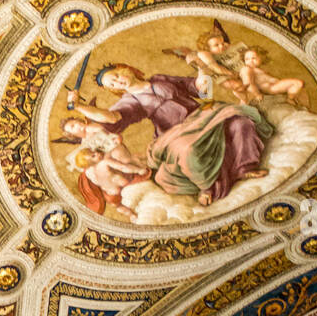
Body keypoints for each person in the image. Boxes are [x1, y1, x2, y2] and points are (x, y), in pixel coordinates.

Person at [68, 62, 272, 209]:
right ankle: (207, 186)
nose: (117, 83)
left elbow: (201, 91)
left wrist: (203, 75)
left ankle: (245, 168)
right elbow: (111, 118)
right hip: (175, 133)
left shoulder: (159, 79)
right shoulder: (131, 101)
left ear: (126, 69)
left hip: (204, 116)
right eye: (112, 85)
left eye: (116, 76)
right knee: (187, 149)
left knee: (240, 123)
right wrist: (79, 106)